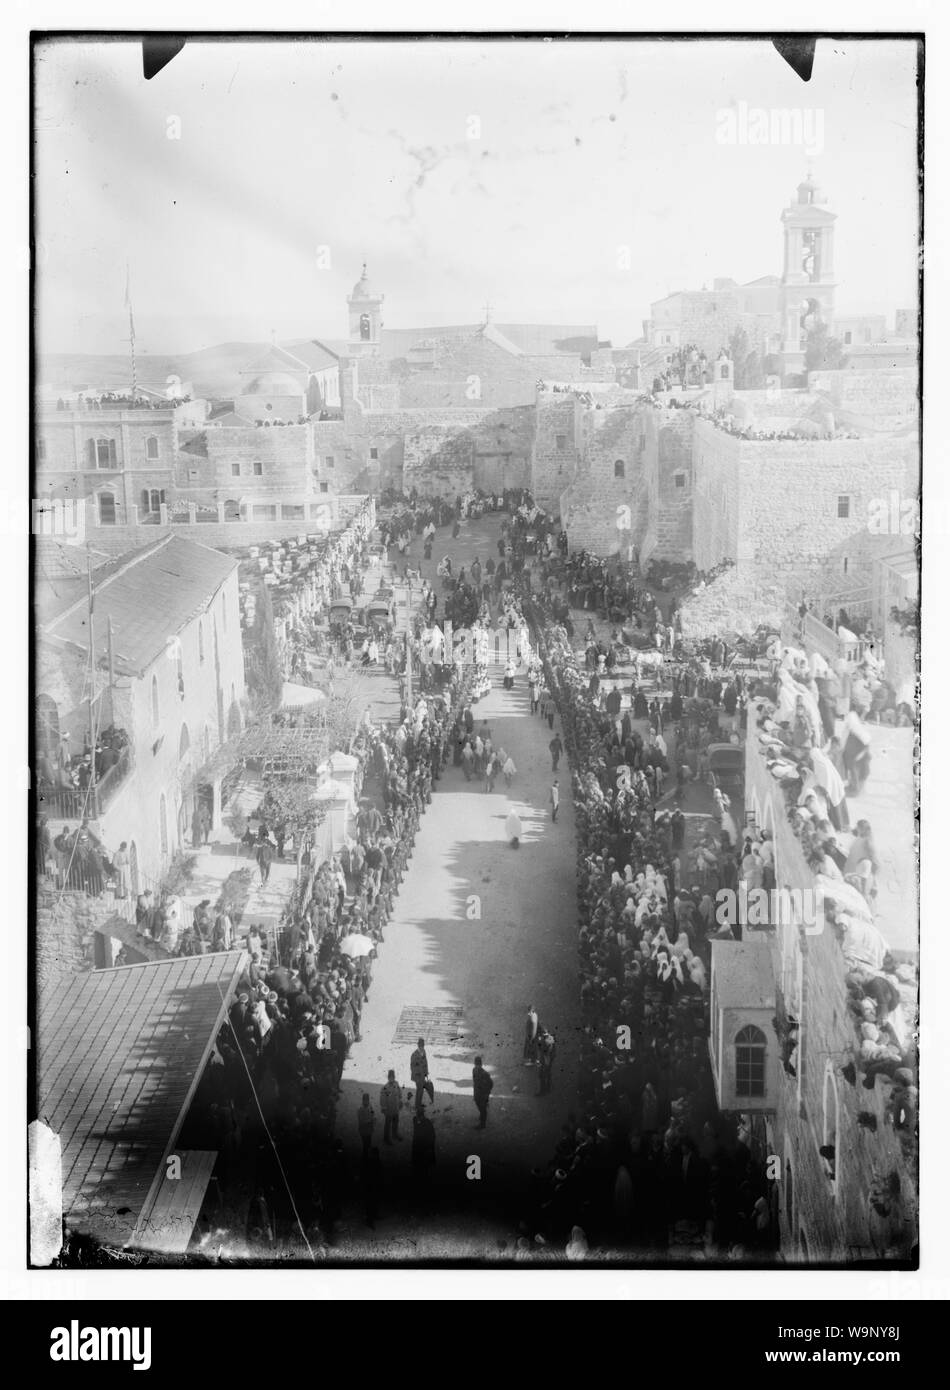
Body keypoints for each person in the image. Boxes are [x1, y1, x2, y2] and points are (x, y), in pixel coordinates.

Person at [380, 1069, 403, 1144]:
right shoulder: (385, 1088)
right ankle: (386, 1138)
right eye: (390, 1077)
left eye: (392, 1077)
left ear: (394, 1077)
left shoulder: (396, 1084)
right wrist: (383, 1108)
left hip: (395, 1108)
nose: (391, 1078)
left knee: (396, 1122)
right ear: (388, 1077)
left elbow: (399, 1092)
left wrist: (400, 1100)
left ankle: (395, 1134)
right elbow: (382, 1099)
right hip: (389, 1110)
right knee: (388, 1124)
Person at [410, 1037, 431, 1114]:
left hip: (422, 1075)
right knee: (419, 1090)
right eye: (420, 1045)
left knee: (421, 1090)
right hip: (417, 1077)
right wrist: (418, 1076)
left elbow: (425, 1062)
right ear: (418, 1045)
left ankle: (419, 1104)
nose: (421, 1047)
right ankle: (417, 1106)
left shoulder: (424, 1052)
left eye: (422, 1045)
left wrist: (426, 1072)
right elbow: (412, 1067)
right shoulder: (414, 1055)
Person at [472, 1056, 494, 1129]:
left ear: (481, 1064)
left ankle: (482, 1124)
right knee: (479, 1105)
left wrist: (486, 1093)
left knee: (483, 1109)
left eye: (478, 1064)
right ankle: (482, 1116)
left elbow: (491, 1084)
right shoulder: (474, 1070)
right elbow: (475, 1082)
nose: (477, 1066)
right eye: (476, 1064)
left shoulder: (485, 1074)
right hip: (477, 1093)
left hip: (483, 1095)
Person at [537, 1029, 556, 1096]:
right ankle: (548, 1088)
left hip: (545, 1061)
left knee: (541, 1075)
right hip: (549, 1059)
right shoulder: (551, 1038)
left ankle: (542, 1091)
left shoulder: (545, 1041)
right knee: (548, 1074)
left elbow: (542, 1051)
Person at [357, 1093, 376, 1159]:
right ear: (363, 1100)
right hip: (363, 1130)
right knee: (365, 1144)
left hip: (369, 1129)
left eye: (367, 1100)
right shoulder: (360, 1109)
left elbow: (373, 1112)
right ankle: (365, 1156)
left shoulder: (370, 1106)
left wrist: (373, 1118)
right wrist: (370, 1121)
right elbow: (361, 1120)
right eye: (365, 1100)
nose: (366, 1101)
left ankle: (368, 1155)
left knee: (369, 1142)